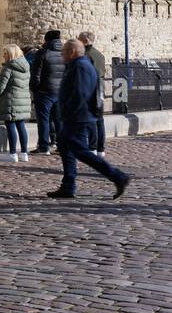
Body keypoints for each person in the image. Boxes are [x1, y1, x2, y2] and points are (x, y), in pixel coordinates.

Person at [47, 39, 132, 200]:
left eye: (64, 51)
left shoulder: (81, 67)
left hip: (78, 117)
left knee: (81, 151)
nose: (61, 55)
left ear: (72, 52)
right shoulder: (77, 65)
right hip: (75, 117)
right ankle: (68, 186)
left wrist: (69, 112)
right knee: (66, 149)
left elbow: (80, 93)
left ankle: (117, 176)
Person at [0, 44, 33, 162]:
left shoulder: (9, 67)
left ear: (10, 54)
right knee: (21, 126)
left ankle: (12, 153)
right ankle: (24, 153)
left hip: (10, 100)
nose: (3, 56)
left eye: (5, 54)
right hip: (23, 100)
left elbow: (0, 86)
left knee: (10, 125)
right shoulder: (26, 66)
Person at [30, 29, 65, 154]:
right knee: (58, 119)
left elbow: (36, 74)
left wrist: (34, 88)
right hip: (60, 91)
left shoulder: (43, 53)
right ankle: (61, 146)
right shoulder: (64, 53)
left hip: (44, 91)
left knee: (43, 120)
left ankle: (44, 146)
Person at [79, 31, 107, 157]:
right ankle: (101, 148)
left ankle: (93, 146)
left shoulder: (85, 54)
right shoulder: (100, 55)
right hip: (100, 87)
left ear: (85, 40)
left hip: (90, 87)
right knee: (100, 120)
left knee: (91, 120)